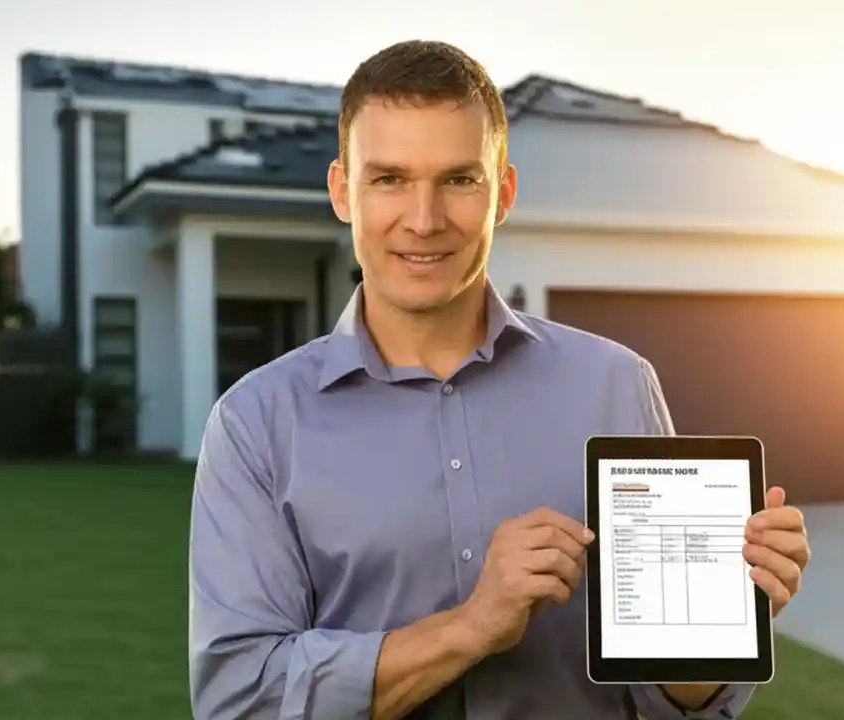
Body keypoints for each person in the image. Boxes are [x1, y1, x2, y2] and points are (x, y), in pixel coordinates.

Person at [188, 39, 812, 720]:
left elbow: (669, 705)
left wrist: (723, 615)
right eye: (389, 179)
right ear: (343, 191)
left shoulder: (614, 385)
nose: (423, 220)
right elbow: (241, 700)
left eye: (458, 179)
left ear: (503, 193)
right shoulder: (257, 424)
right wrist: (470, 627)